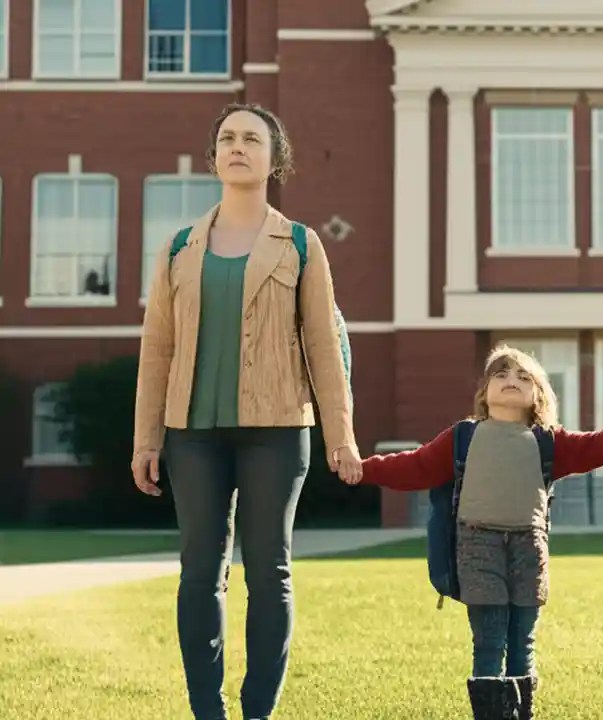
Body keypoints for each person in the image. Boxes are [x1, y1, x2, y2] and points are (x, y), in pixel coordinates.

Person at [131, 102, 361, 720]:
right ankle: (207, 709)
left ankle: (258, 710)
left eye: (252, 139)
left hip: (279, 430)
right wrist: (146, 439)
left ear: (272, 159)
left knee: (270, 571)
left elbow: (322, 342)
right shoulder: (179, 247)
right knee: (199, 571)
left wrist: (341, 435)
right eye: (227, 138)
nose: (238, 147)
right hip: (191, 434)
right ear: (213, 158)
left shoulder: (303, 245)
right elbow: (158, 347)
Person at [353, 344, 603, 720]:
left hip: (529, 550)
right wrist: (363, 469)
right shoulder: (464, 438)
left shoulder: (548, 441)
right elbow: (415, 466)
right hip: (477, 549)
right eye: (500, 374)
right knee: (488, 641)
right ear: (484, 391)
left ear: (538, 393)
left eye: (522, 376)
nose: (510, 381)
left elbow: (597, 447)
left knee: (523, 642)